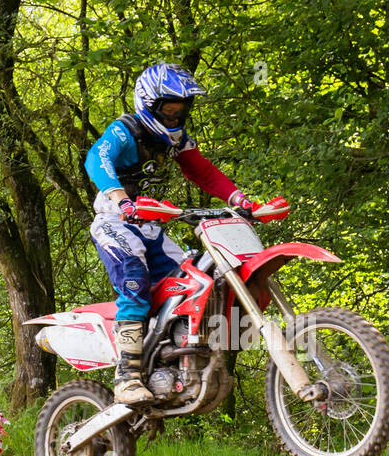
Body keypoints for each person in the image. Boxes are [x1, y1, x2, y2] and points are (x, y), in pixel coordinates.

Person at [83, 61, 286, 404]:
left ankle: (177, 354)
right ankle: (127, 375)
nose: (175, 116)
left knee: (194, 281)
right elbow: (95, 158)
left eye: (182, 109)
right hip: (114, 222)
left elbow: (204, 172)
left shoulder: (176, 141)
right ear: (149, 104)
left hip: (150, 225)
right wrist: (121, 200)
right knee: (134, 280)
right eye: (170, 108)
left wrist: (243, 202)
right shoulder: (125, 130)